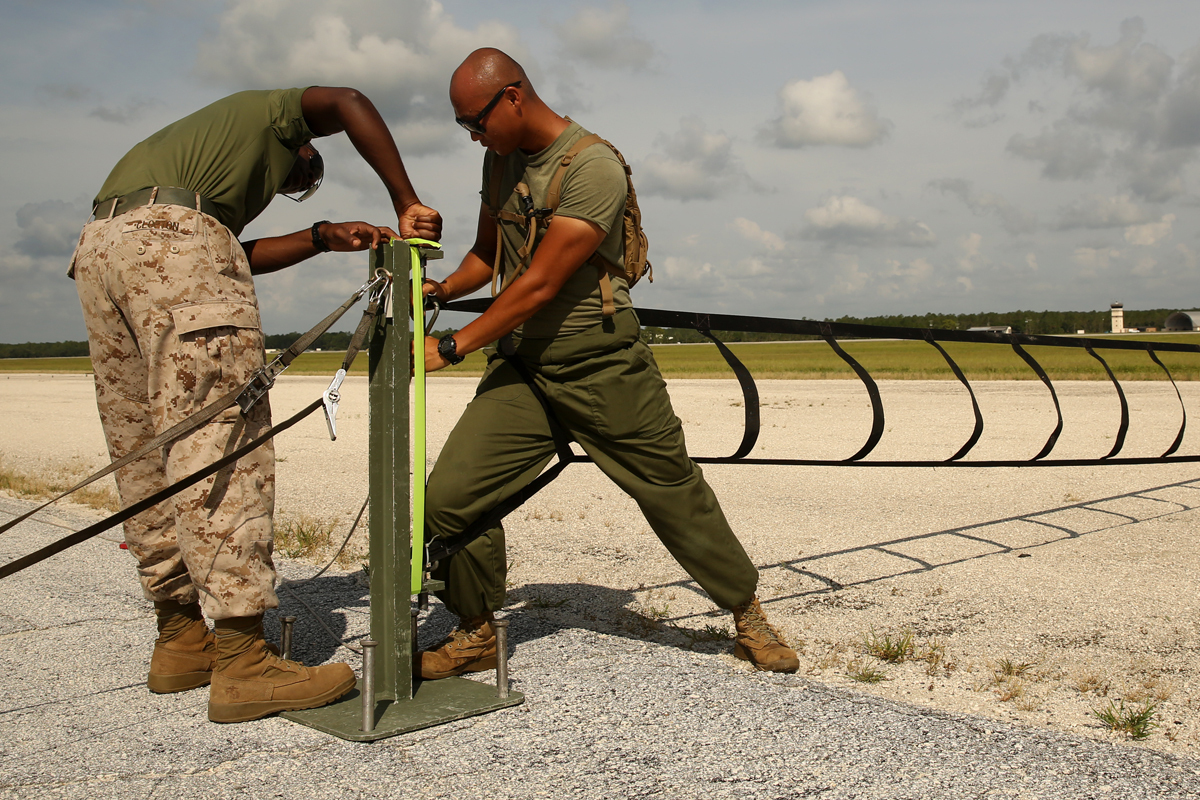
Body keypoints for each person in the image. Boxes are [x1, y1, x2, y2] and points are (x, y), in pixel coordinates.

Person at [417, 49, 797, 679]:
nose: (473, 136)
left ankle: (746, 611)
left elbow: (539, 283)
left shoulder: (592, 166)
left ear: (513, 97)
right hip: (525, 369)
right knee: (451, 501)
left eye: (475, 121)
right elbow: (488, 256)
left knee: (673, 493)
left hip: (601, 365)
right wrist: (442, 292)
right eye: (465, 126)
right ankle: (477, 628)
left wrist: (454, 345)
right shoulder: (498, 161)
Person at [69, 86, 441, 723]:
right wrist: (406, 200)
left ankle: (181, 639)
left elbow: (224, 254)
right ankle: (243, 663)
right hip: (172, 244)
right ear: (299, 146)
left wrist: (320, 237)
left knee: (144, 448)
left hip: (100, 252)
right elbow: (349, 99)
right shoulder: (270, 116)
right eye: (299, 176)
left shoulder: (187, 163)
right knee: (222, 445)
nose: (289, 186)